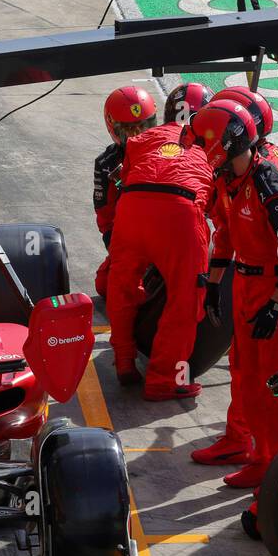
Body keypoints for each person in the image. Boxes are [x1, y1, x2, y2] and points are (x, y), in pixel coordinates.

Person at [190, 100, 278, 491]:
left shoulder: (269, 186)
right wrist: (214, 285)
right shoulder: (229, 181)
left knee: (275, 383)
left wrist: (276, 305)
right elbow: (225, 235)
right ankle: (261, 458)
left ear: (222, 144)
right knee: (245, 377)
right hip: (245, 284)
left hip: (273, 288)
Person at [104, 89, 214, 400]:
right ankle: (164, 380)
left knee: (120, 284)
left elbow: (125, 178)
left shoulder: (140, 140)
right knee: (186, 298)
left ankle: (123, 360)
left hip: (133, 208)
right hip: (181, 214)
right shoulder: (212, 142)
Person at [92, 86, 157, 298]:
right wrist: (122, 256)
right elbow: (106, 219)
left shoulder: (170, 150)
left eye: (143, 127)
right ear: (114, 128)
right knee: (105, 284)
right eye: (129, 130)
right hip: (130, 240)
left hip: (166, 234)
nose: (138, 135)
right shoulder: (105, 163)